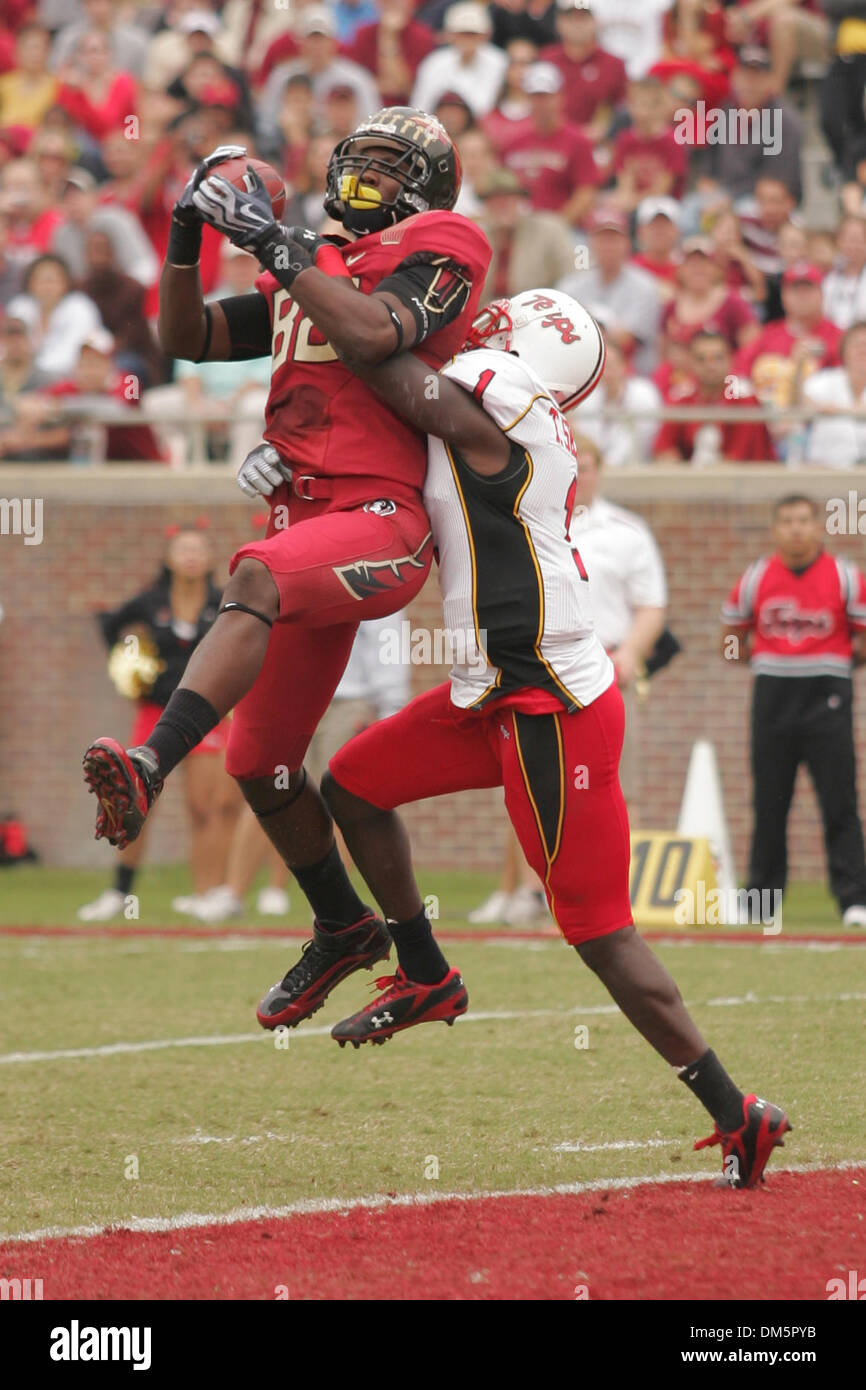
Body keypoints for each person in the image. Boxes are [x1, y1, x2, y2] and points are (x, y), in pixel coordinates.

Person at [298, 285, 788, 1190]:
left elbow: (386, 365)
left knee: (598, 932)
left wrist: (296, 262)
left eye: (504, 319)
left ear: (524, 345)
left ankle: (738, 1111)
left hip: (548, 705)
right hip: (493, 687)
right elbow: (385, 425)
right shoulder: (514, 396)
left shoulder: (499, 393)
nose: (482, 321)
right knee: (354, 786)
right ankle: (426, 973)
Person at [83, 112, 491, 1028]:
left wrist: (275, 240)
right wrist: (189, 234)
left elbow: (376, 336)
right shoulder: (310, 266)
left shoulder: (441, 243)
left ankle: (150, 761)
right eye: (355, 163)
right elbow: (185, 337)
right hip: (304, 519)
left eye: (387, 169)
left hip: (382, 521)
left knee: (253, 577)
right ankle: (375, 941)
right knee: (263, 763)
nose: (363, 180)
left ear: (426, 187)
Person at [78, 525, 241, 922]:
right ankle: (119, 893)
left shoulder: (223, 602)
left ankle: (208, 895)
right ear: (168, 557)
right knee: (133, 802)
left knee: (207, 807)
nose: (190, 555)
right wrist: (127, 665)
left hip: (205, 714)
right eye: (182, 548)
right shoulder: (150, 601)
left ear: (209, 558)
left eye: (198, 548)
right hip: (155, 713)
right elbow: (108, 624)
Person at [721, 495, 866, 929]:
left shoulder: (845, 577)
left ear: (819, 526)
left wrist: (839, 661)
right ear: (774, 528)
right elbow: (730, 639)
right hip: (772, 699)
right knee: (769, 804)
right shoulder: (756, 577)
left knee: (839, 800)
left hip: (828, 699)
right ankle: (762, 901)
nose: (796, 529)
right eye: (786, 521)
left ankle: (854, 899)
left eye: (804, 520)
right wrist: (760, 659)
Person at [558, 205, 661, 373]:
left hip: (633, 377)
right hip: (582, 374)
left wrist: (583, 337)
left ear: (627, 243)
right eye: (601, 238)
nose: (608, 246)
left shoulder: (645, 286)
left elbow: (627, 341)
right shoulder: (571, 286)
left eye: (613, 239)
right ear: (590, 243)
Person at [500, 60, 600, 227]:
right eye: (535, 97)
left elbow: (586, 192)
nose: (541, 103)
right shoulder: (515, 142)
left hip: (564, 229)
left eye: (546, 97)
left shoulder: (577, 141)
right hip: (519, 229)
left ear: (561, 97)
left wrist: (556, 227)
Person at [654, 329, 776, 463]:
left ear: (731, 359)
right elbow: (663, 450)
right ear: (690, 362)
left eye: (718, 358)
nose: (710, 366)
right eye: (701, 359)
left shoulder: (745, 399)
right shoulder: (681, 398)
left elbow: (740, 459)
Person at [475, 165, 576, 300]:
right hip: (486, 315)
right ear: (486, 205)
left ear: (519, 200)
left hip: (539, 312)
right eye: (495, 200)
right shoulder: (477, 236)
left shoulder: (549, 230)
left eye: (508, 198)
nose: (502, 205)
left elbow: (571, 277)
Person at [411, 3, 508, 119]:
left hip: (484, 132)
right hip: (438, 130)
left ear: (486, 35)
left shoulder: (499, 62)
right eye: (462, 33)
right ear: (449, 35)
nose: (467, 39)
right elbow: (420, 108)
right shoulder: (434, 63)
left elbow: (499, 108)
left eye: (473, 34)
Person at [802, 319, 866, 467]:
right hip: (825, 470)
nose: (863, 350)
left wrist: (836, 410)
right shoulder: (825, 379)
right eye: (857, 344)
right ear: (843, 351)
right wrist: (798, 366)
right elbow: (801, 403)